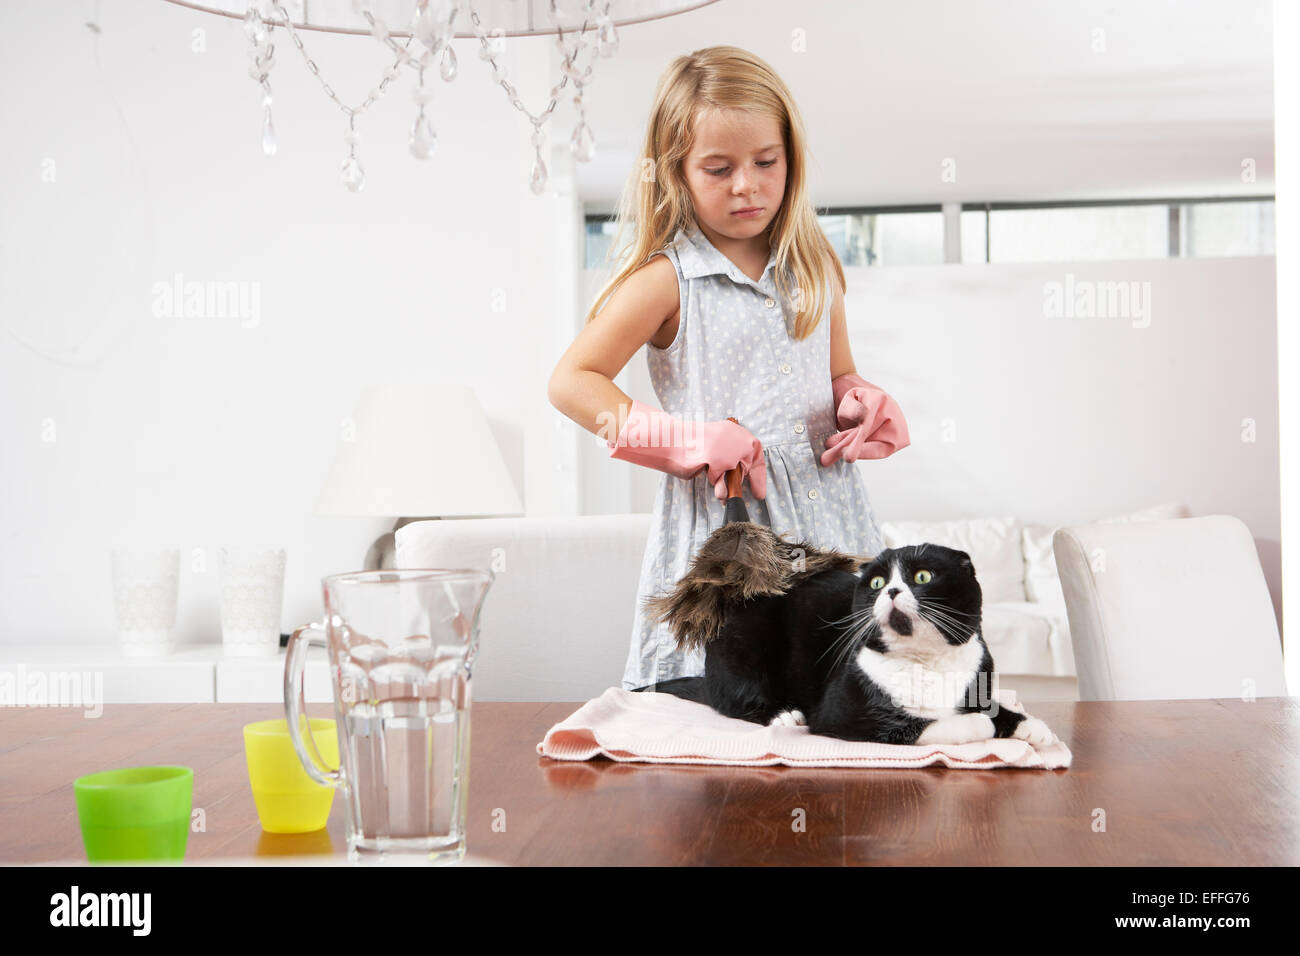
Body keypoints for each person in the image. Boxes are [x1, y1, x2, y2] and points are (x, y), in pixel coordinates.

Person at [547, 45, 911, 693]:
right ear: (676, 174)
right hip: (726, 536)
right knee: (718, 713)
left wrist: (863, 403)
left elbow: (838, 379)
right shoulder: (667, 281)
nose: (746, 184)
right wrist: (687, 440)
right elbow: (572, 383)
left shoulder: (815, 268)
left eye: (765, 162)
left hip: (830, 524)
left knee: (846, 709)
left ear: (790, 159)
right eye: (717, 168)